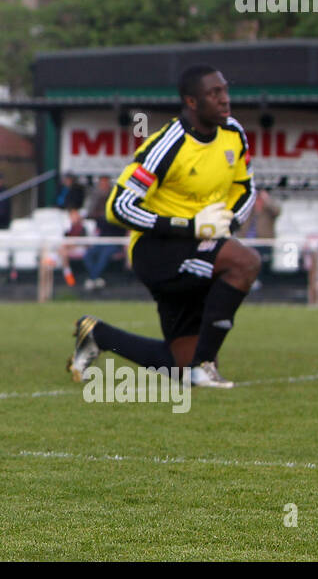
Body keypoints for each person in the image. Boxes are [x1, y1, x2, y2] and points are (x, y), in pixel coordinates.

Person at [67, 65, 260, 389]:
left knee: (176, 366)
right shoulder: (167, 144)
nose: (225, 100)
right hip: (157, 250)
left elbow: (246, 187)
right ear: (192, 102)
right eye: (214, 94)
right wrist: (192, 225)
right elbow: (118, 206)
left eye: (225, 90)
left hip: (201, 244)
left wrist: (232, 221)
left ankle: (96, 334)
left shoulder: (234, 134)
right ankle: (204, 365)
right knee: (246, 262)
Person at [81, 175, 125, 291]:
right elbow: (91, 216)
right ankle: (96, 279)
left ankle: (93, 279)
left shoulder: (117, 204)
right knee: (88, 255)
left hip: (114, 241)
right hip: (102, 240)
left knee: (104, 256)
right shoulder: (97, 200)